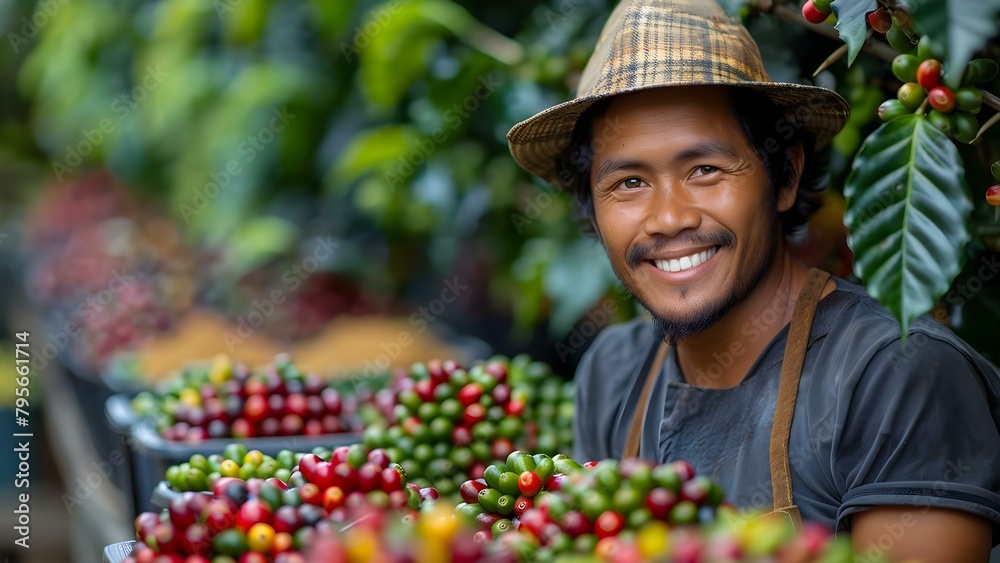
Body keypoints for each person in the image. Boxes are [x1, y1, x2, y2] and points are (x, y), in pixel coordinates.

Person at [506, 0, 1000, 561]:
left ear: (784, 175)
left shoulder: (893, 376)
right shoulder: (613, 372)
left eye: (705, 170)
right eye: (628, 183)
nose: (669, 218)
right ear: (591, 209)